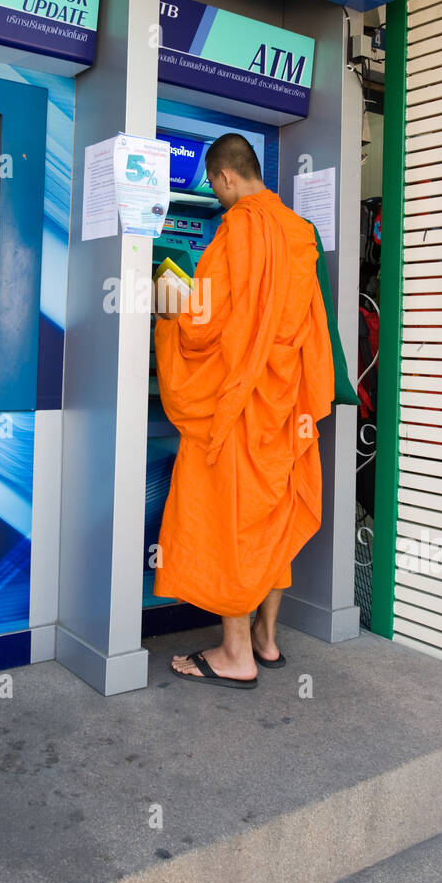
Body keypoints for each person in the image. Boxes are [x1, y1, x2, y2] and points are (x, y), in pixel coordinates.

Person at [152, 133, 335, 687]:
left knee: (231, 522)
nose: (214, 192)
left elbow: (203, 320)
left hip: (238, 408)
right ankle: (266, 638)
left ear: (226, 177)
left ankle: (235, 655)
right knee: (271, 519)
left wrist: (163, 306)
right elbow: (308, 328)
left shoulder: (238, 231)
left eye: (211, 184)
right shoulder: (301, 233)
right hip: (283, 408)